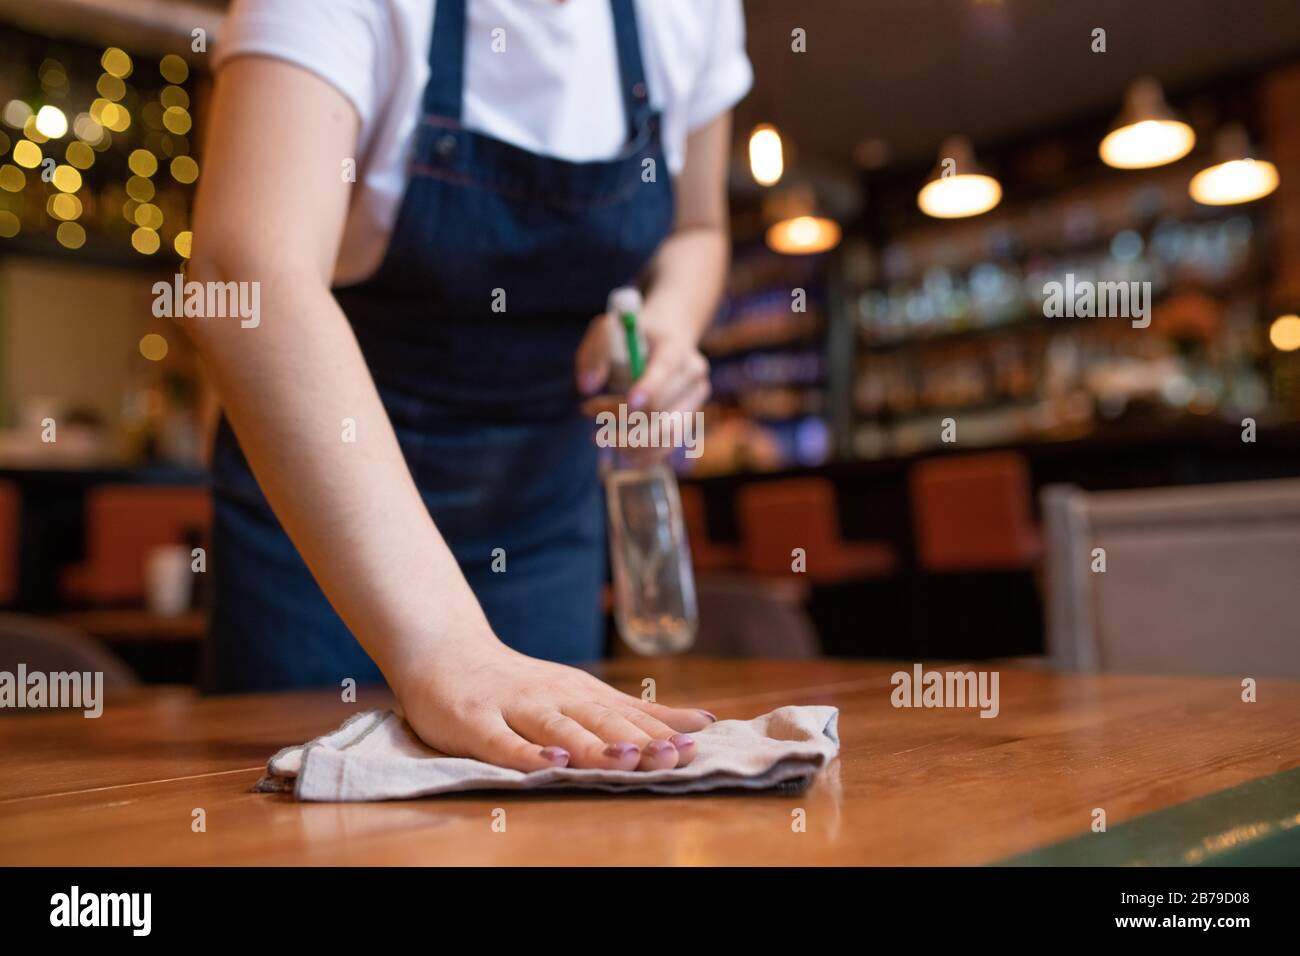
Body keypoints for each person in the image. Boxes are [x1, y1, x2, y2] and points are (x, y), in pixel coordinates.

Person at [186, 0, 750, 772]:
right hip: (330, 507)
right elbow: (241, 275)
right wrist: (442, 642)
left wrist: (668, 321)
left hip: (542, 507)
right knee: (313, 824)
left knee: (552, 817)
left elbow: (696, 228)